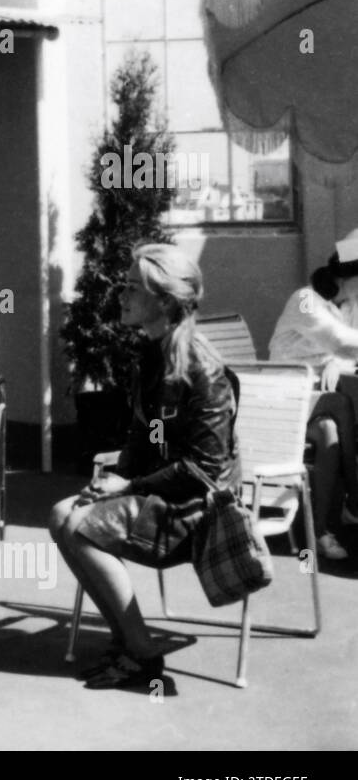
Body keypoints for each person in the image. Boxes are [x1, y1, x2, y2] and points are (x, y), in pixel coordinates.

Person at [49, 244, 239, 690]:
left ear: (165, 300)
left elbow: (205, 470)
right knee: (61, 514)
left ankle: (145, 655)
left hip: (196, 512)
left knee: (78, 526)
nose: (122, 294)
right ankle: (129, 643)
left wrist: (128, 484)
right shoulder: (155, 355)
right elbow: (150, 433)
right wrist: (120, 476)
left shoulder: (203, 370)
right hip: (160, 495)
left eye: (133, 287)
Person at [268, 229, 358, 559]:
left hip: (310, 399)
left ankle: (319, 531)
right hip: (281, 398)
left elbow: (343, 342)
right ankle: (355, 500)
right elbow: (338, 340)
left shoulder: (345, 303)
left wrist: (333, 362)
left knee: (330, 431)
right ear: (350, 277)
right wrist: (335, 355)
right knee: (342, 403)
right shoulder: (304, 298)